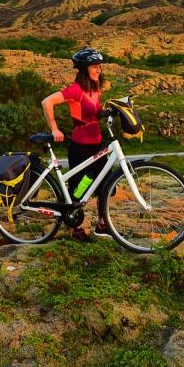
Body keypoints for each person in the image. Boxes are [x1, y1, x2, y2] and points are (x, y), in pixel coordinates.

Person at [41, 47, 110, 240]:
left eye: (100, 66)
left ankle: (102, 225)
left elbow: (94, 112)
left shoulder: (95, 88)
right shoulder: (76, 90)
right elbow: (47, 102)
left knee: (104, 185)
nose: (99, 70)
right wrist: (54, 128)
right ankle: (75, 227)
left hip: (97, 144)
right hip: (81, 147)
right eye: (95, 67)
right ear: (84, 69)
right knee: (80, 188)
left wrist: (107, 111)